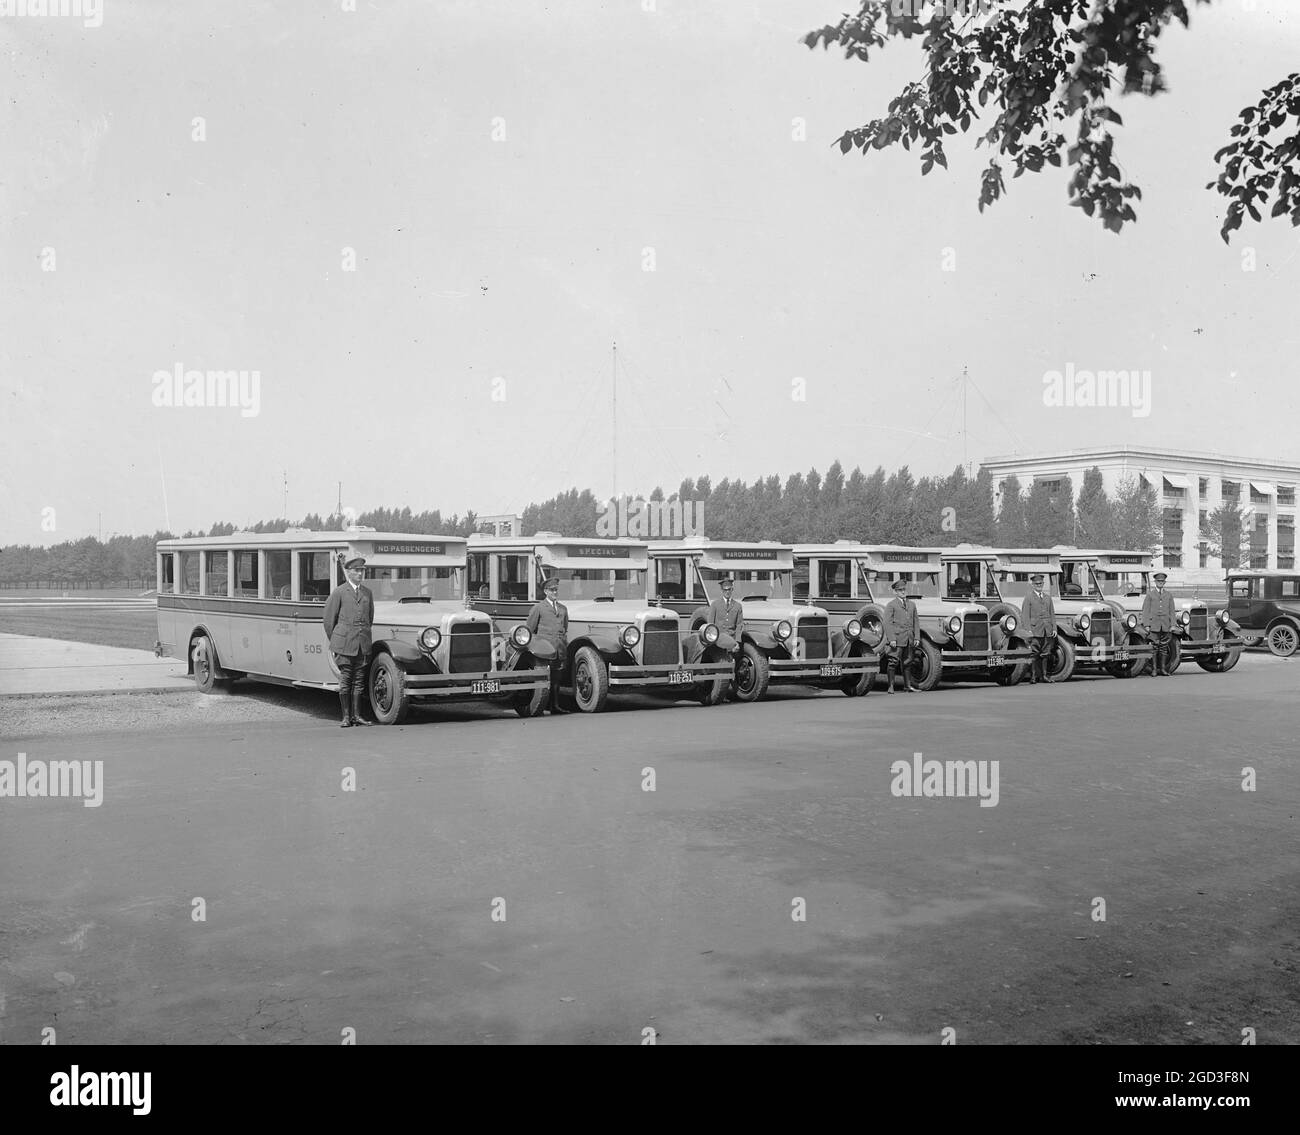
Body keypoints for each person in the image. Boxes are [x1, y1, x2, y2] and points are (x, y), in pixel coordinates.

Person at [323, 554, 375, 727]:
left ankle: (357, 716)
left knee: (359, 681)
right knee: (345, 680)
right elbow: (329, 620)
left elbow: (370, 618)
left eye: (362, 571)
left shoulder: (367, 593)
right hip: (344, 643)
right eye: (357, 571)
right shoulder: (339, 592)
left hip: (362, 643)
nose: (360, 574)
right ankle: (346, 717)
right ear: (348, 572)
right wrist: (338, 640)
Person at [525, 574, 569, 714]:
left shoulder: (563, 609)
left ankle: (555, 706)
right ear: (545, 592)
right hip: (543, 650)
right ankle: (541, 706)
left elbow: (564, 628)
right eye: (552, 590)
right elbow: (530, 629)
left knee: (556, 680)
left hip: (559, 649)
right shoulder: (539, 608)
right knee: (544, 679)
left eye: (556, 589)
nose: (555, 592)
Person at [883, 578, 920, 693]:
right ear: (895, 592)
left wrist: (917, 637)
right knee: (893, 661)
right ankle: (891, 686)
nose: (903, 592)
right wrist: (892, 639)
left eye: (904, 589)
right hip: (897, 639)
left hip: (909, 638)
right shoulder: (891, 605)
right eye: (900, 590)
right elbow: (887, 623)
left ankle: (907, 686)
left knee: (908, 662)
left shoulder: (912, 604)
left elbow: (916, 621)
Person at [1021, 572, 1057, 685]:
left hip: (1047, 630)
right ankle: (1033, 676)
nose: (1039, 585)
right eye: (1036, 583)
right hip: (1035, 630)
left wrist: (1054, 628)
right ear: (1032, 584)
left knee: (1046, 653)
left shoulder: (1048, 598)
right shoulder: (1028, 598)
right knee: (1034, 654)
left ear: (1043, 584)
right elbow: (1025, 615)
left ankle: (1045, 676)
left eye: (1040, 583)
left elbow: (1052, 614)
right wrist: (1028, 630)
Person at [1142, 570, 1177, 677]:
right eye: (1158, 581)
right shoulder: (1150, 595)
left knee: (1164, 648)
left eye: (1162, 581)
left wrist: (1173, 624)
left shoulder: (1169, 595)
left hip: (1166, 625)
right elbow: (1145, 610)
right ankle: (1154, 670)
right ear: (1155, 582)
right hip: (1154, 625)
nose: (1160, 583)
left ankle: (1163, 669)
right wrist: (1147, 624)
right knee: (1154, 648)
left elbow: (1172, 610)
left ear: (1165, 582)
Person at [704, 575, 744, 657]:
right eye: (725, 590)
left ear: (732, 590)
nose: (727, 592)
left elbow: (739, 625)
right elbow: (710, 624)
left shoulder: (738, 606)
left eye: (729, 589)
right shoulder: (715, 604)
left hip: (732, 641)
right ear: (722, 590)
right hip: (718, 640)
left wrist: (737, 642)